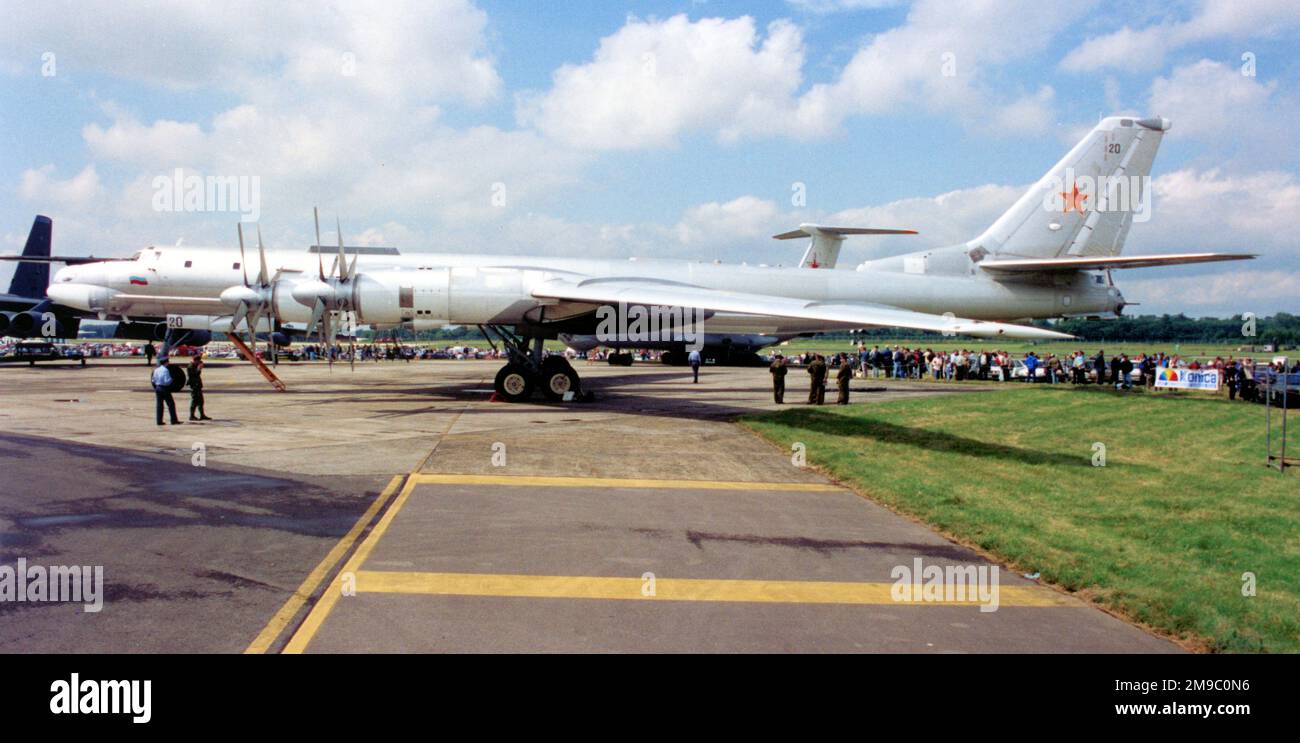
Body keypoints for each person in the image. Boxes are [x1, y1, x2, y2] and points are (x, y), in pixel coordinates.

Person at [152, 355, 180, 426]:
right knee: (171, 404)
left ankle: (159, 421)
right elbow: (167, 381)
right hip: (164, 388)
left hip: (158, 387)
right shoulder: (166, 370)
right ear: (166, 362)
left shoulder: (156, 370)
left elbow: (153, 380)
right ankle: (173, 420)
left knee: (159, 405)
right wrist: (172, 380)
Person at [188, 355, 212, 421]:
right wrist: (199, 368)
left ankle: (202, 415)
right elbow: (194, 375)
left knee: (201, 401)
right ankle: (191, 416)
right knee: (194, 401)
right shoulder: (191, 366)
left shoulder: (194, 365)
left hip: (197, 385)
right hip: (194, 386)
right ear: (196, 360)